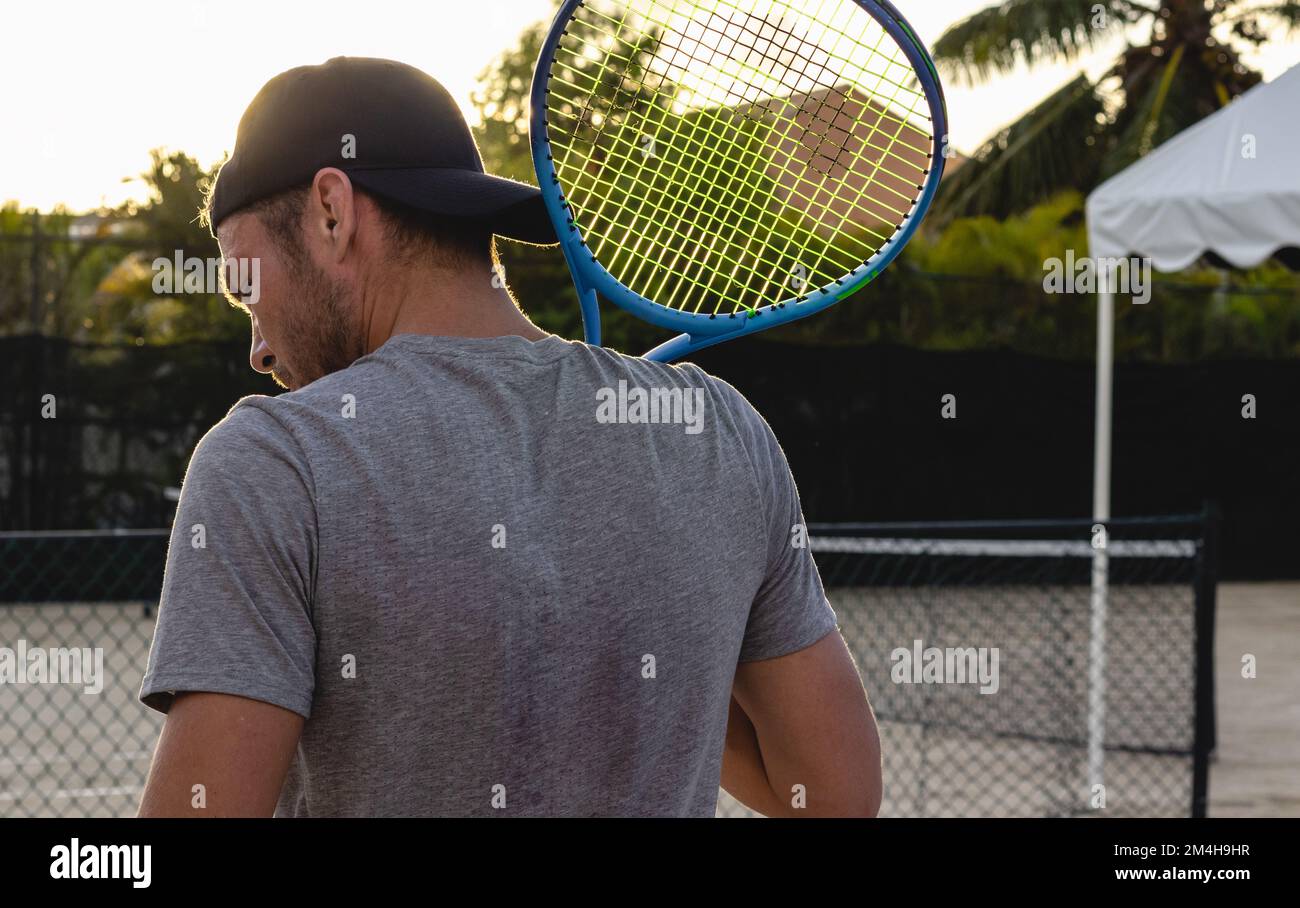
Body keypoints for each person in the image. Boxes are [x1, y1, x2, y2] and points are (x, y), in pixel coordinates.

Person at [137, 57, 880, 818]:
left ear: (333, 210)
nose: (257, 349)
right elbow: (834, 796)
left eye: (246, 285)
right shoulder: (718, 430)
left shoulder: (274, 463)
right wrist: (653, 650)